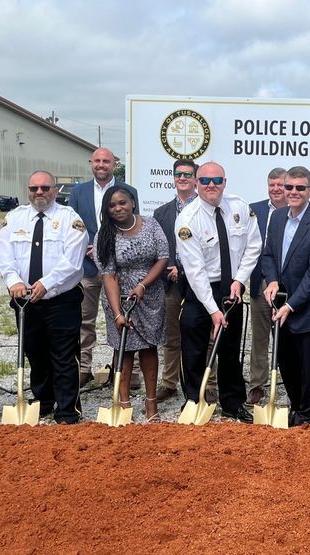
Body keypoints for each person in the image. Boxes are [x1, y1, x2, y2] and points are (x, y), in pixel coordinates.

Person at [0, 170, 88, 425]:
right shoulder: (15, 219)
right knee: (34, 352)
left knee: (64, 354)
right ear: (28, 190)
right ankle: (44, 401)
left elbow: (72, 261)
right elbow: (5, 255)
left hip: (61, 299)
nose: (39, 193)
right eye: (34, 188)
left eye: (45, 188)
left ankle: (68, 410)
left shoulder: (70, 219)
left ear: (55, 190)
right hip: (25, 300)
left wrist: (46, 284)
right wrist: (13, 280)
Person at [175, 161, 261, 423]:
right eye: (205, 181)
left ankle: (233, 404)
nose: (211, 185)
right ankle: (194, 400)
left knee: (230, 349)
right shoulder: (187, 221)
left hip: (231, 286)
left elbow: (253, 247)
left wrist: (240, 280)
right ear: (196, 183)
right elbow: (195, 271)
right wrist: (213, 310)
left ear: (225, 182)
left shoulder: (240, 207)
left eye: (217, 180)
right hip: (200, 290)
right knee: (194, 350)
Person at [261, 166, 310, 426]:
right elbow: (268, 254)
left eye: (300, 188)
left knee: (307, 366)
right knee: (286, 361)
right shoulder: (278, 217)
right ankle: (296, 405)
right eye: (289, 187)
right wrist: (271, 280)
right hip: (280, 304)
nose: (293, 192)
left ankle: (307, 413)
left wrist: (291, 305)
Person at [94, 184, 169, 422]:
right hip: (119, 298)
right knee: (123, 349)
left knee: (149, 348)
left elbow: (162, 258)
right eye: (112, 205)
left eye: (122, 203)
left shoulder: (150, 225)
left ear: (133, 203)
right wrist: (117, 313)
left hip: (150, 296)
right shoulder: (104, 235)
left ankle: (151, 404)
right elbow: (109, 274)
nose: (118, 208)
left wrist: (142, 285)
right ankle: (123, 404)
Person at [69, 147, 139, 387]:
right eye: (97, 161)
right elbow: (73, 226)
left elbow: (133, 226)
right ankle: (84, 368)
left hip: (120, 268)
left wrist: (107, 249)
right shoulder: (78, 192)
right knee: (84, 320)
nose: (101, 165)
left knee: (123, 317)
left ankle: (127, 371)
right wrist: (90, 247)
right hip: (87, 267)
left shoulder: (129, 191)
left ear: (114, 163)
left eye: (106, 161)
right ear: (91, 163)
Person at [152, 159, 203, 403]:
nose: (182, 178)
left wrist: (183, 268)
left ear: (195, 179)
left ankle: (208, 383)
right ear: (173, 178)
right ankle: (170, 383)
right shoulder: (161, 213)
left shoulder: (206, 208)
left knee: (205, 335)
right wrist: (171, 267)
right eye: (178, 174)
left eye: (187, 174)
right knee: (171, 335)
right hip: (170, 281)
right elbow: (159, 247)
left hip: (199, 280)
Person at [246, 167, 288, 407]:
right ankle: (257, 385)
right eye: (271, 184)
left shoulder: (295, 210)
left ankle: (288, 380)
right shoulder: (255, 210)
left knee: (286, 336)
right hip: (261, 282)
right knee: (260, 337)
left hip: (288, 285)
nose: (276, 189)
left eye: (280, 184)